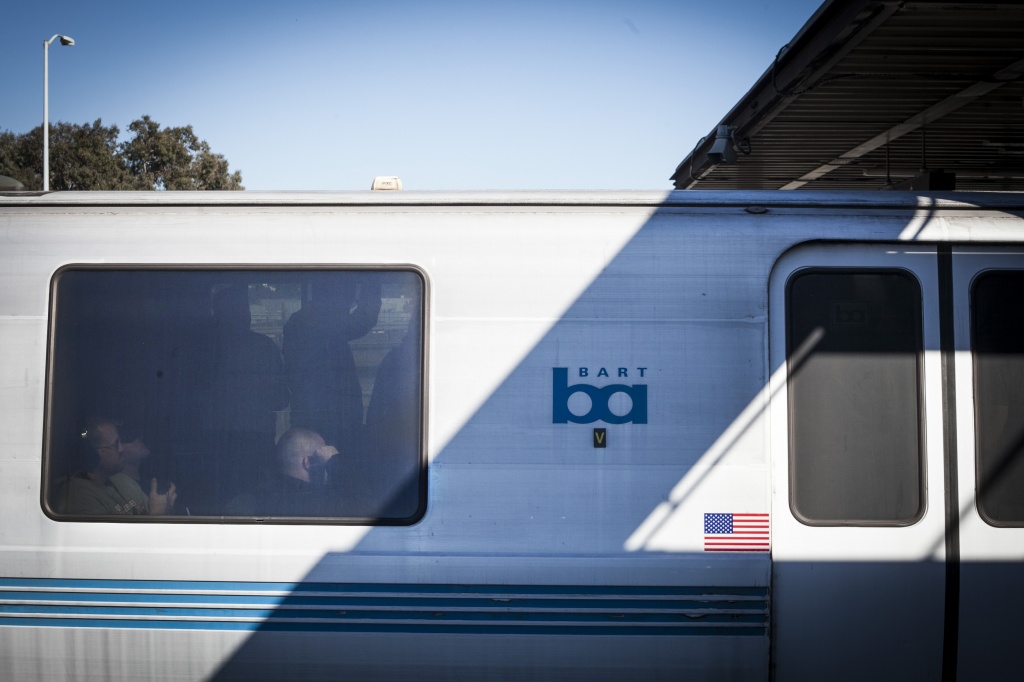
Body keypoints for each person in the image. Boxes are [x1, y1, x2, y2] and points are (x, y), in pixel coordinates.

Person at [52, 418, 177, 516]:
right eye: (115, 445)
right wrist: (156, 515)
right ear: (94, 453)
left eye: (120, 442)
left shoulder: (122, 480)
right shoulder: (78, 496)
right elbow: (107, 546)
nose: (121, 449)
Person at [223, 428, 338, 516]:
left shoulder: (244, 502)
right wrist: (333, 461)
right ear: (308, 462)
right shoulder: (325, 505)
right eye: (322, 457)